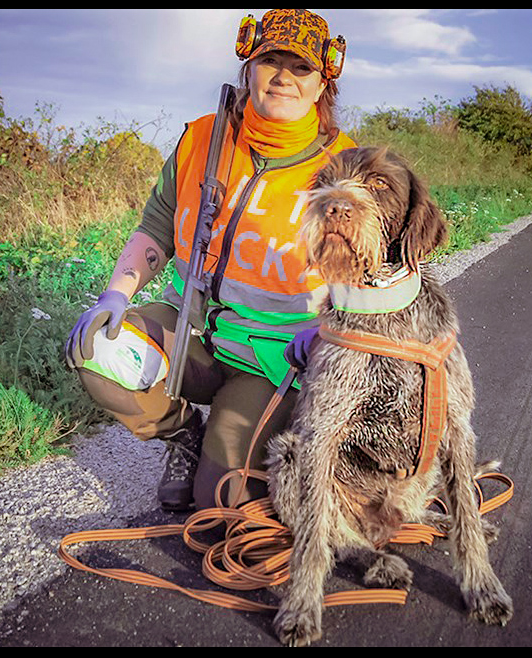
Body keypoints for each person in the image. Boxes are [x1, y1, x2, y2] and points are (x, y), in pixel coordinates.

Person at [66, 8, 355, 511]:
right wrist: (116, 294)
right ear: (250, 66)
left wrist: (330, 333)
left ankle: (235, 444)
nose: (284, 76)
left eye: (301, 66)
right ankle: (184, 434)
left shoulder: (346, 167)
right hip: (193, 336)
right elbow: (156, 226)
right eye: (271, 60)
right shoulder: (201, 138)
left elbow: (368, 273)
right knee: (98, 348)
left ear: (323, 80)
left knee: (221, 506)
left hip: (276, 361)